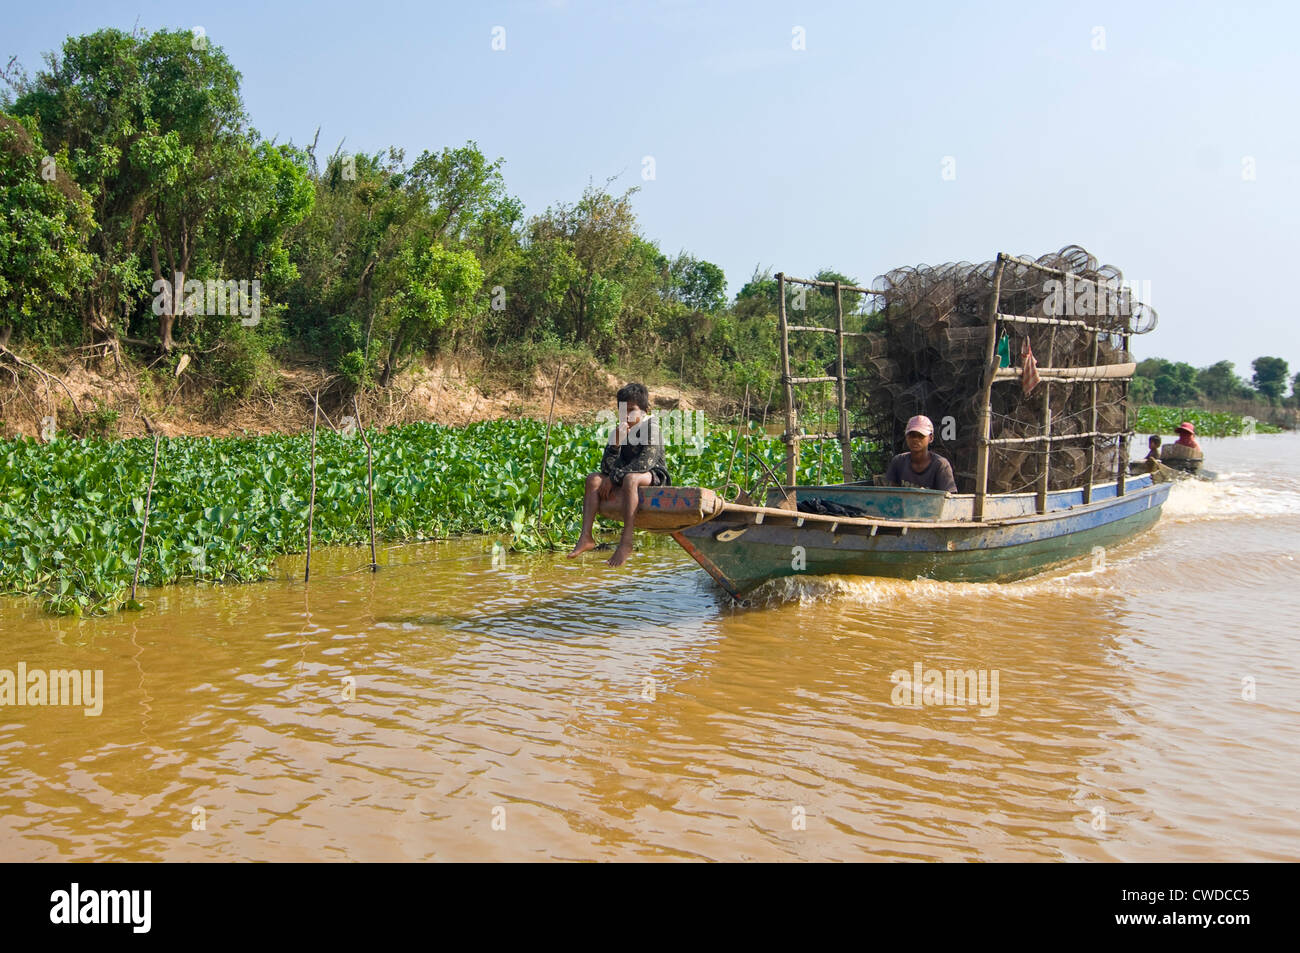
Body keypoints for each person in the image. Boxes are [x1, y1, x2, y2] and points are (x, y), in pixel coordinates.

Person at [568, 382, 671, 567]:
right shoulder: (622, 430)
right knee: (593, 479)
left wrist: (614, 478)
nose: (627, 416)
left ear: (645, 410)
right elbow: (605, 467)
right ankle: (586, 537)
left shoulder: (652, 429)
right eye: (623, 411)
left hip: (652, 476)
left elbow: (643, 464)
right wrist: (615, 445)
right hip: (623, 475)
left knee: (632, 479)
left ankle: (626, 542)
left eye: (632, 410)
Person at [883, 415, 957, 492]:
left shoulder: (941, 465)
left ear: (930, 438)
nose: (915, 439)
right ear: (906, 437)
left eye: (921, 435)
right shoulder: (898, 461)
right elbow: (892, 494)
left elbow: (948, 499)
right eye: (912, 435)